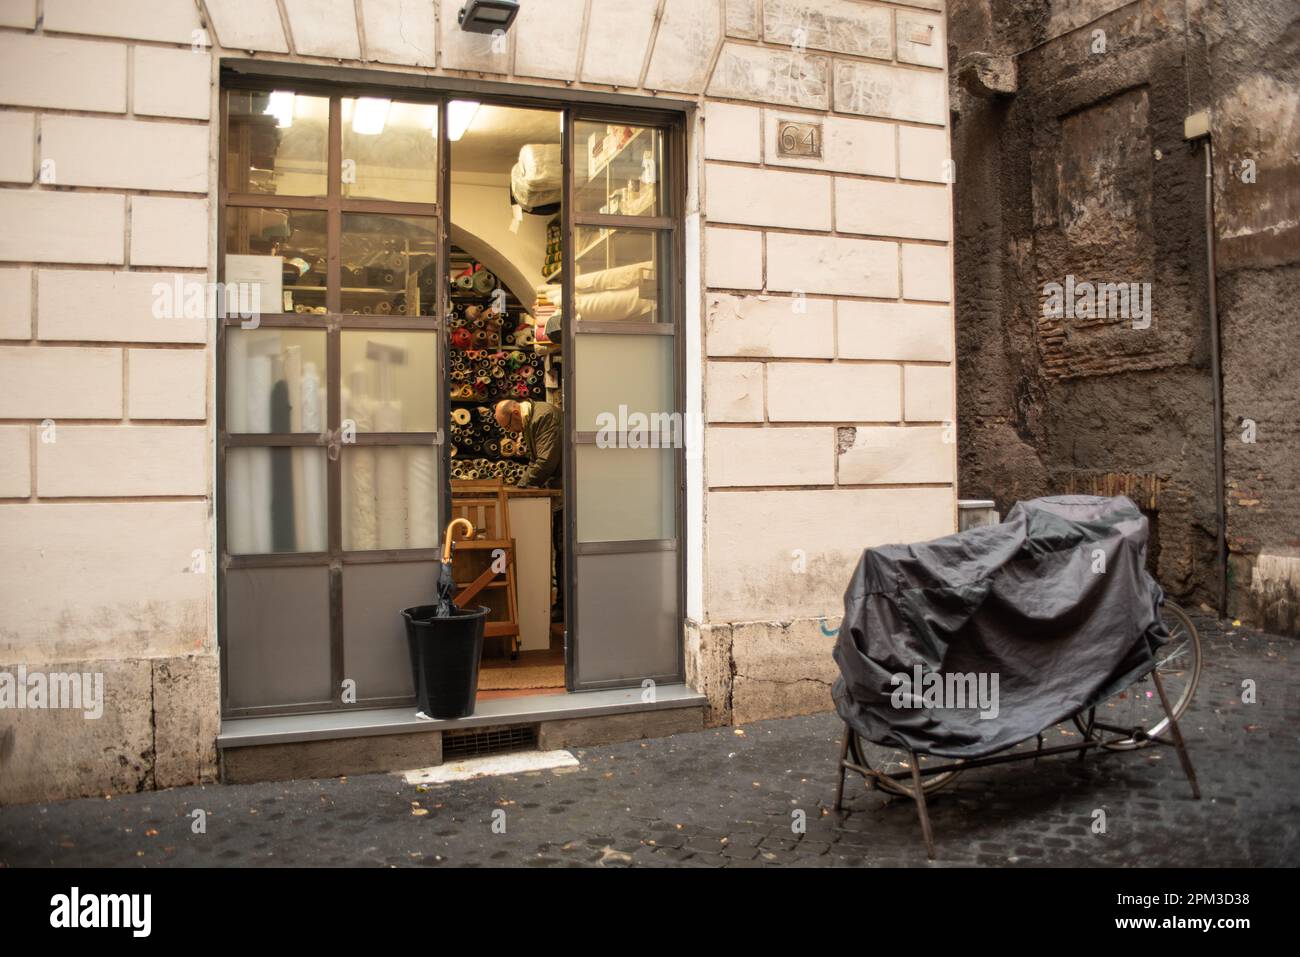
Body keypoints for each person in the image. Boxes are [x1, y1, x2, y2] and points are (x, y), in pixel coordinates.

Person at [495, 399, 564, 621]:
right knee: (560, 547)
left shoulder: (544, 417)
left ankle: (564, 606)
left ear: (515, 412)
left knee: (563, 548)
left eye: (507, 426)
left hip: (567, 493)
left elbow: (545, 461)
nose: (509, 432)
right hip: (560, 490)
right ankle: (562, 604)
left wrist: (521, 486)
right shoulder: (532, 419)